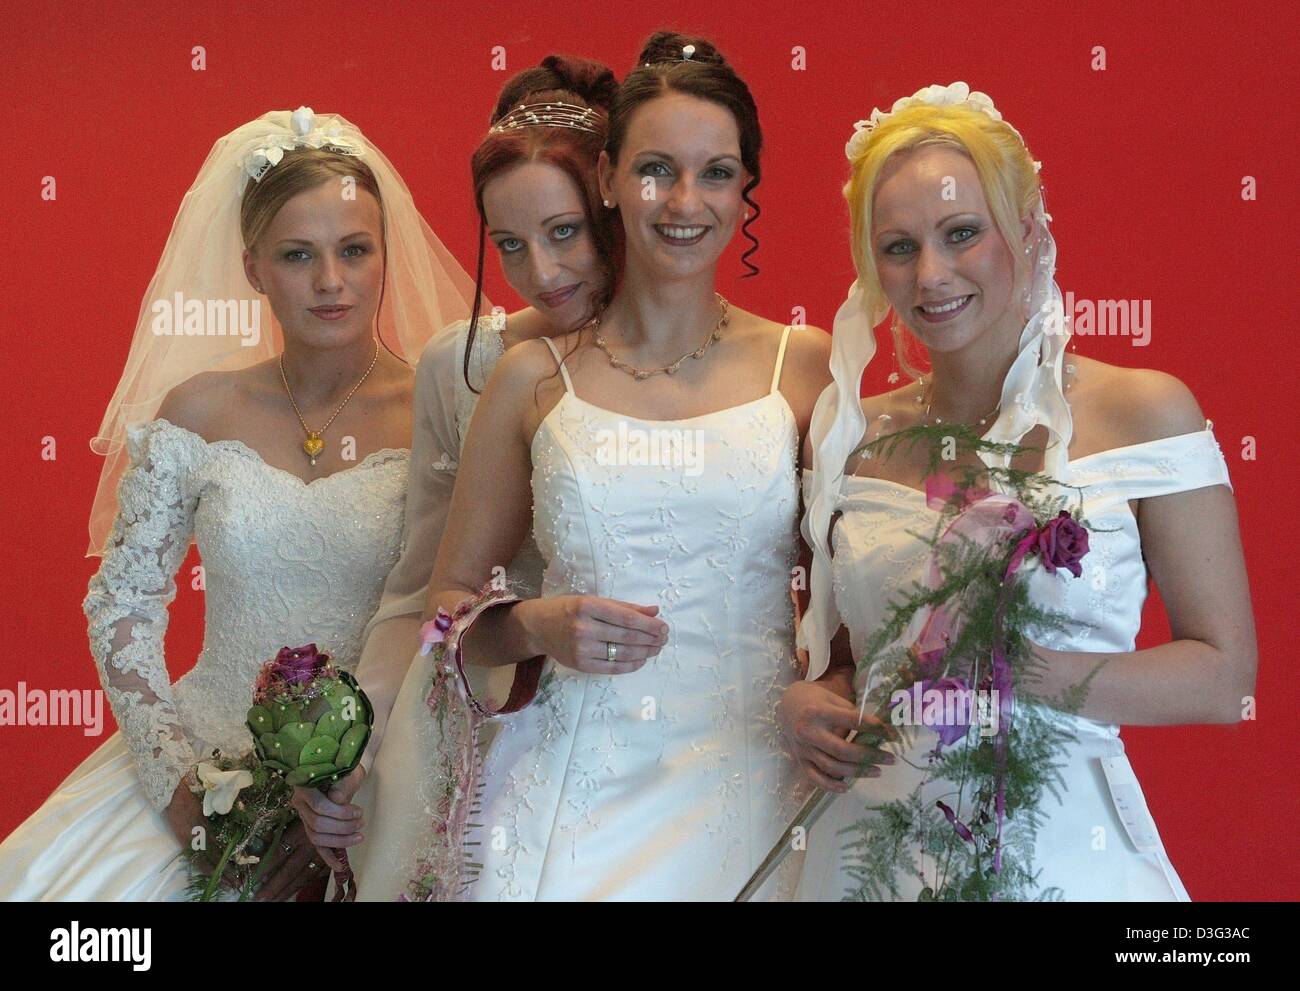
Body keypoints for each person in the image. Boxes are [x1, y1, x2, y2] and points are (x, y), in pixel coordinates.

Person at [784, 83, 1257, 901]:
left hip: (1065, 854)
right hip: (870, 855)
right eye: (898, 247)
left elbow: (1224, 679)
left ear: (1030, 229)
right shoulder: (851, 435)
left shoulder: (1145, 410)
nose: (931, 274)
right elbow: (858, 661)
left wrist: (1023, 672)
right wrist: (810, 702)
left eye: (961, 233)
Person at [0, 107, 475, 900]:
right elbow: (122, 606)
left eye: (355, 249)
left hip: (381, 786)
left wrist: (356, 779)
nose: (331, 280)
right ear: (253, 268)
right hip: (207, 767)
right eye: (298, 255)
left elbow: (452, 609)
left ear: (385, 255)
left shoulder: (440, 411)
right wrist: (184, 792)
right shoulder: (198, 409)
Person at [415, 31, 832, 901]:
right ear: (607, 177)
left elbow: (856, 602)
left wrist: (836, 686)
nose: (685, 201)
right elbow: (446, 611)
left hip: (759, 782)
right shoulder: (530, 378)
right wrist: (534, 624)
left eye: (717, 172)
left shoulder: (804, 366)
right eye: (655, 170)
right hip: (576, 801)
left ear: (745, 188)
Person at [291, 55, 623, 901]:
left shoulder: (721, 366)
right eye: (509, 244)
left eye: (565, 231)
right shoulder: (463, 365)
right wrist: (357, 746)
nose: (541, 273)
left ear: (617, 199)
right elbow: (418, 597)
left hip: (662, 733)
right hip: (490, 730)